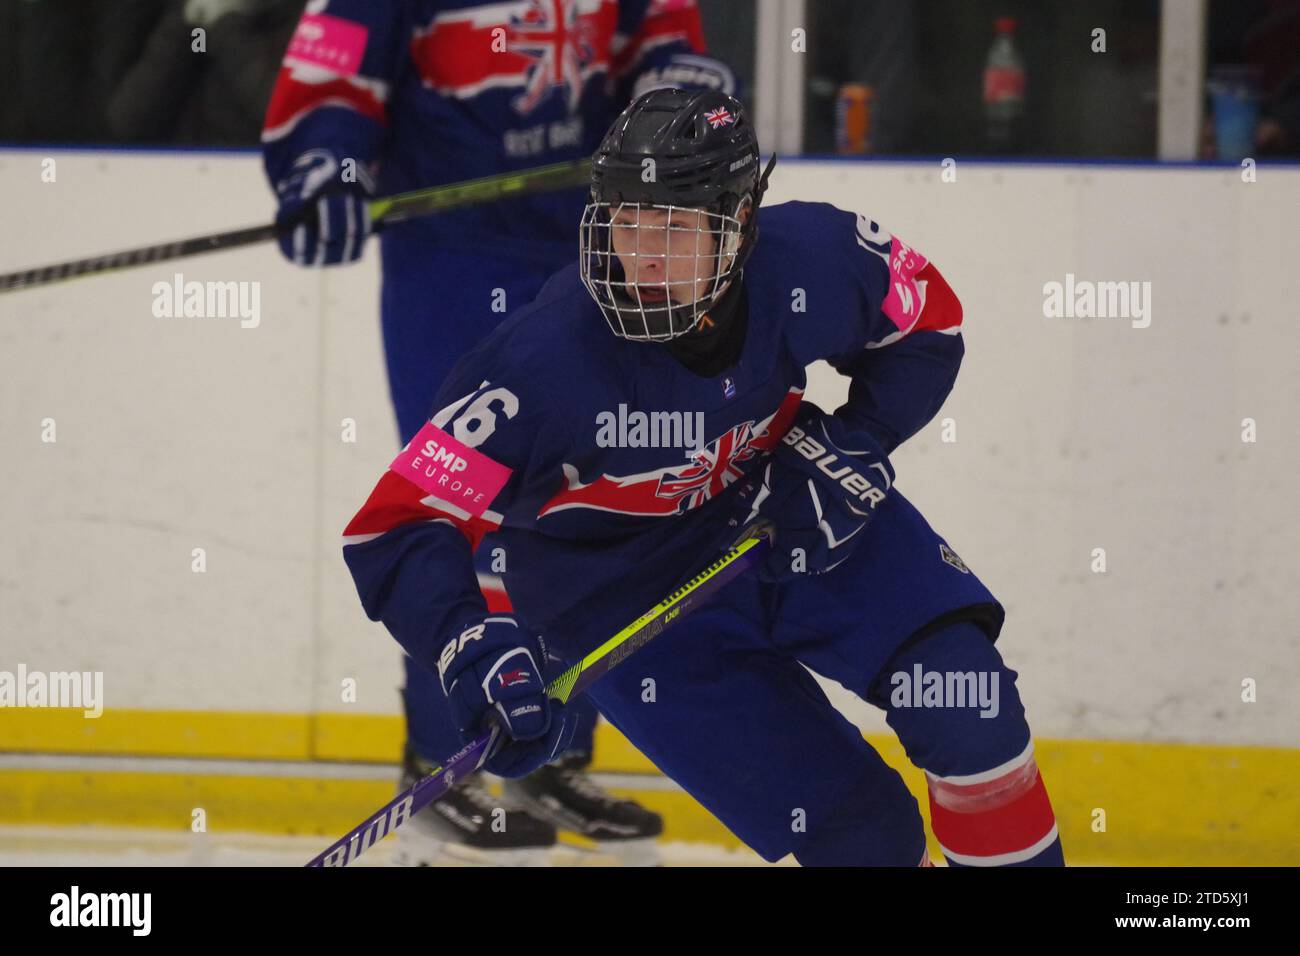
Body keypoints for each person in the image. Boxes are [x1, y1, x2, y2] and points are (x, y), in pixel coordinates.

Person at [342, 88, 1065, 866]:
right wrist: (469, 648)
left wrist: (854, 444)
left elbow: (929, 324)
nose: (642, 254)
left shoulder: (813, 261)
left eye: (675, 227)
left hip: (797, 507)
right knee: (863, 839)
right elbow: (399, 523)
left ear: (741, 222)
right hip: (627, 609)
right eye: (625, 219)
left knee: (967, 706)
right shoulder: (539, 363)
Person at [262, 0, 735, 866]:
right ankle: (446, 764)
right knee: (456, 500)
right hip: (452, 249)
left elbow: (662, 36)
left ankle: (546, 756)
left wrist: (682, 84)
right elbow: (331, 67)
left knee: (592, 503)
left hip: (597, 239)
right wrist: (322, 164)